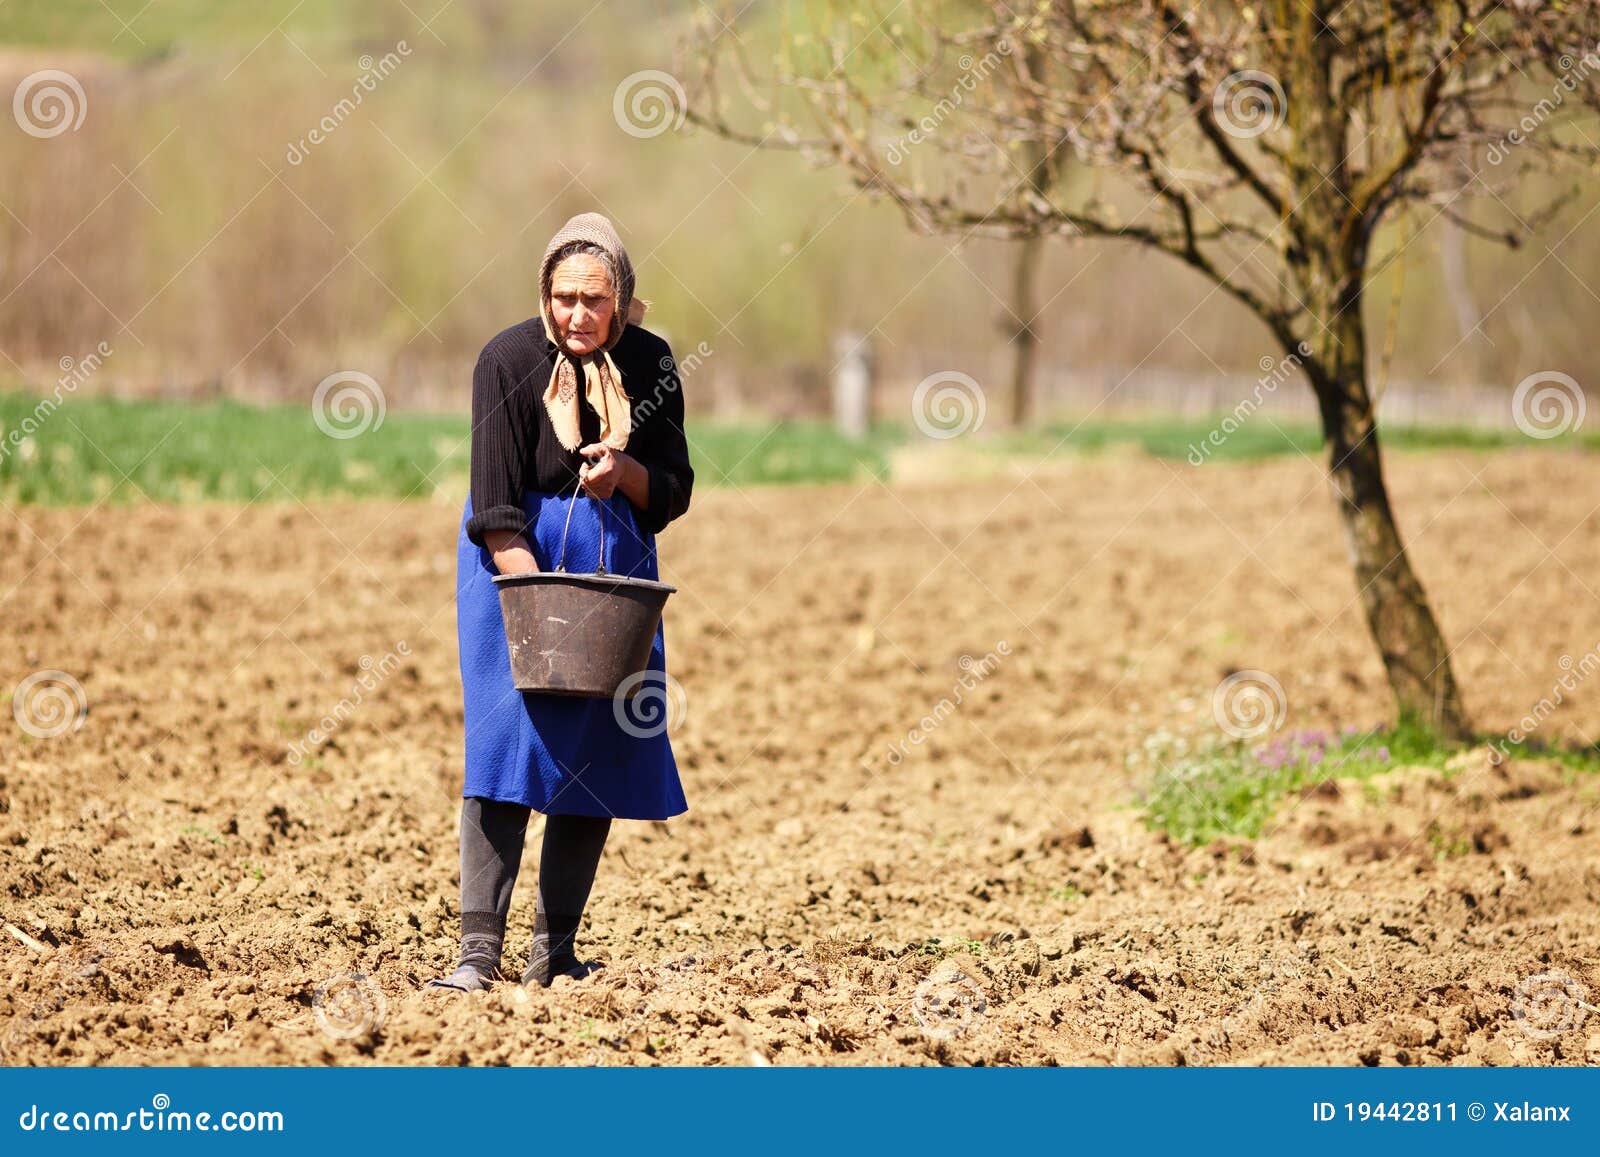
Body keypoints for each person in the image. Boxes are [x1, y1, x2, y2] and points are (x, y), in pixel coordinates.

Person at [431, 213, 693, 991]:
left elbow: (673, 487)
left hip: (614, 564)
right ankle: (477, 955)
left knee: (593, 756)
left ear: (622, 299)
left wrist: (625, 473)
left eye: (594, 299)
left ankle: (555, 952)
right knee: (506, 752)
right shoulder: (507, 360)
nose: (576, 314)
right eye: (562, 297)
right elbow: (493, 506)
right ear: (544, 295)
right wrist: (534, 599)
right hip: (513, 569)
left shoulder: (651, 363)